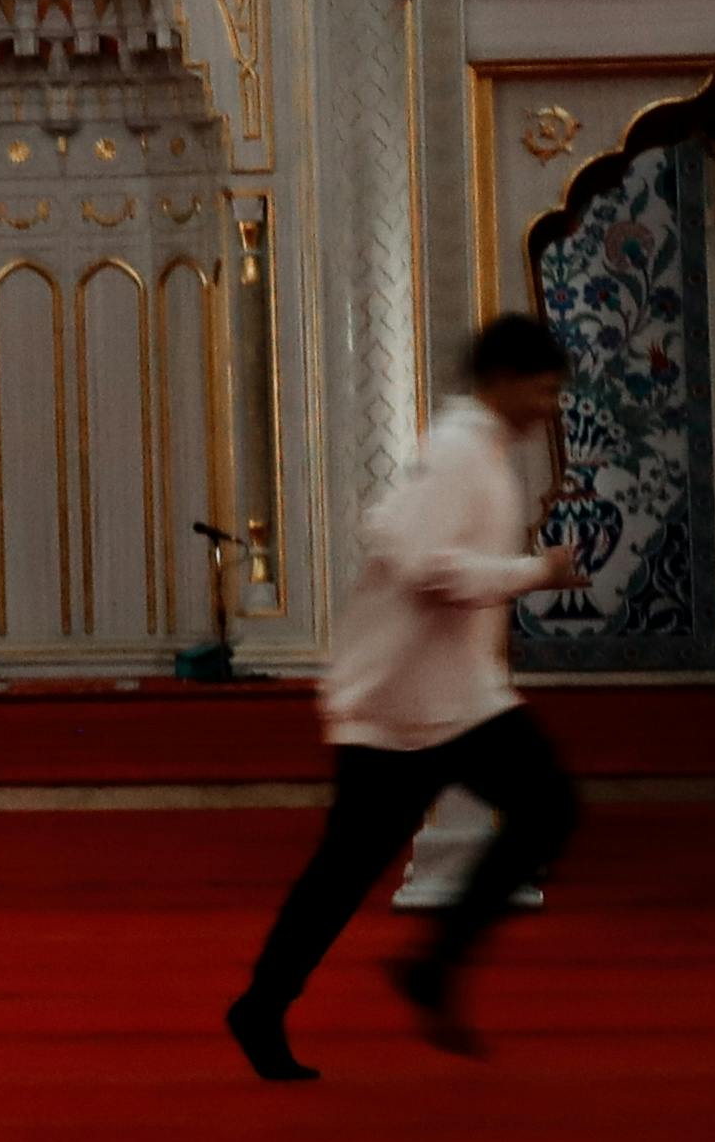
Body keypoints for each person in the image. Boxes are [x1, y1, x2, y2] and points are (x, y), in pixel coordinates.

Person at [225, 311, 594, 1083]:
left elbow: (403, 540)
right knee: (352, 869)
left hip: (447, 697)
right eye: (543, 388)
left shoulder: (479, 452)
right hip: (403, 702)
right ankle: (274, 1002)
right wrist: (534, 573)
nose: (548, 406)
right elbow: (425, 564)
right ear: (502, 380)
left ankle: (409, 972)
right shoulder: (460, 453)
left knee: (540, 810)